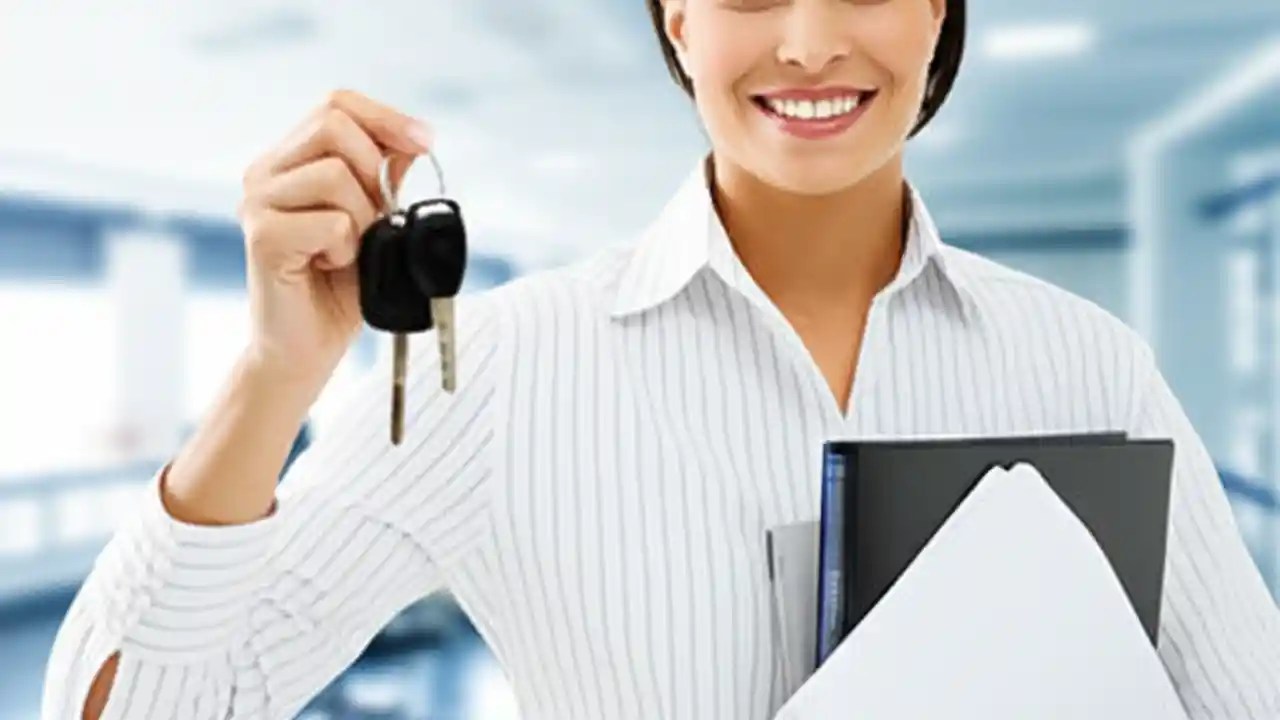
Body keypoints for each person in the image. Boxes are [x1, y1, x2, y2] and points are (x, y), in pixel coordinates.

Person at [46, 0, 1280, 718]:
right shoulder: (509, 370)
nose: (803, 43)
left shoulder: (1088, 367)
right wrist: (274, 377)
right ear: (674, 19)